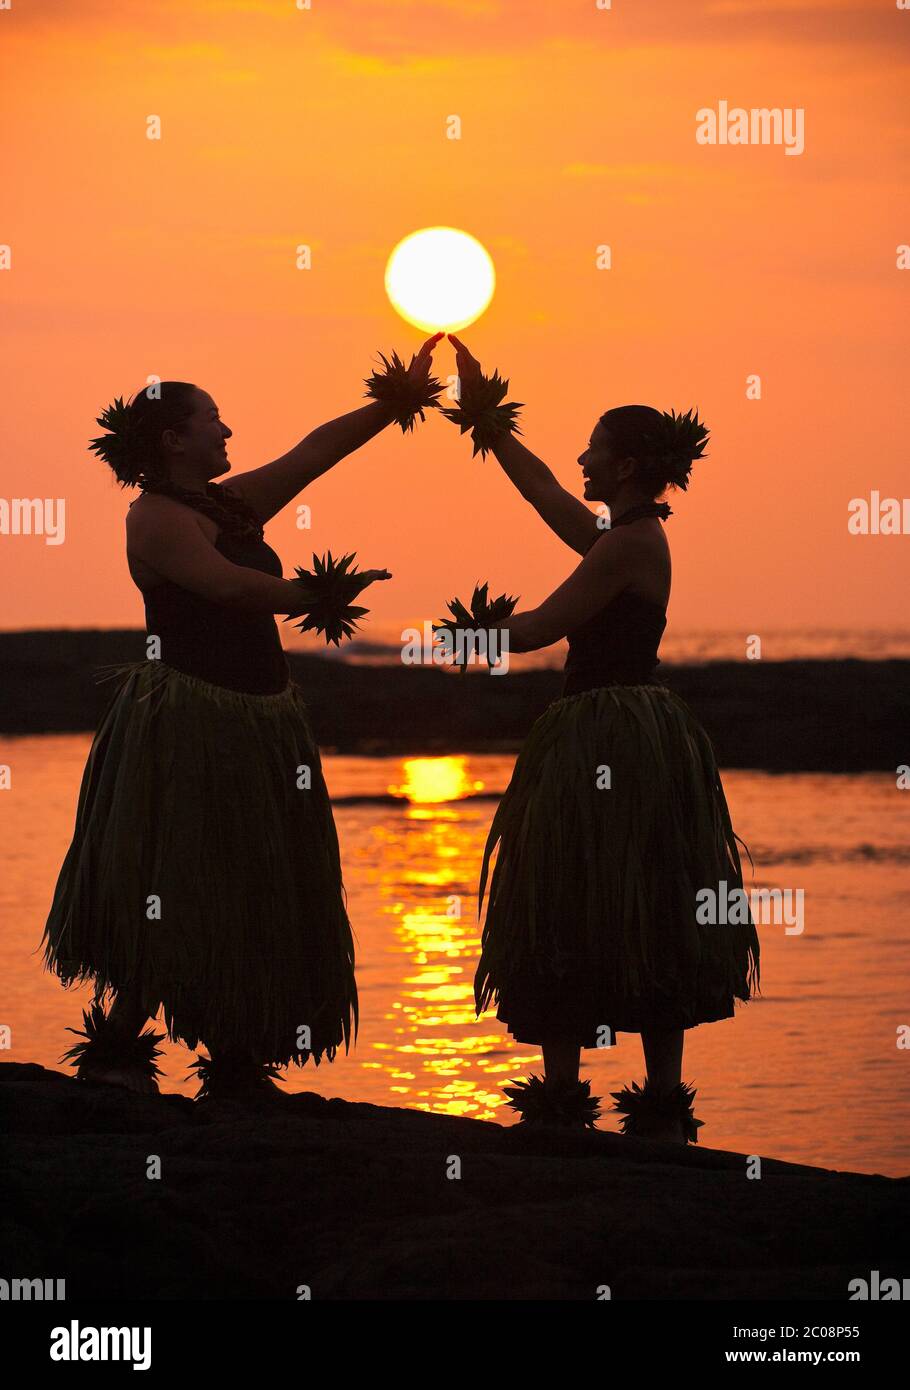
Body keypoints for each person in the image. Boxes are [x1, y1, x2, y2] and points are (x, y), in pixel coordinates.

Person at [44, 337, 442, 1101]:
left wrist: (394, 402)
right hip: (193, 722)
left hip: (263, 719)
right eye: (214, 421)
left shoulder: (225, 504)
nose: (228, 433)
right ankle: (119, 1049)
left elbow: (316, 450)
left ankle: (236, 1060)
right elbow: (226, 589)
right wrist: (318, 595)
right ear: (173, 439)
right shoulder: (156, 518)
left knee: (251, 884)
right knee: (177, 880)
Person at [446, 333, 759, 1142]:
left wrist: (468, 634)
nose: (580, 459)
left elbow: (543, 628)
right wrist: (485, 419)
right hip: (635, 731)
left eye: (594, 448)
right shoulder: (629, 533)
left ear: (623, 467)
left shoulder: (624, 545)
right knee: (638, 894)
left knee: (577, 891)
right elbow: (546, 492)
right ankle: (658, 1101)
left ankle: (565, 1099)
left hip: (606, 734)